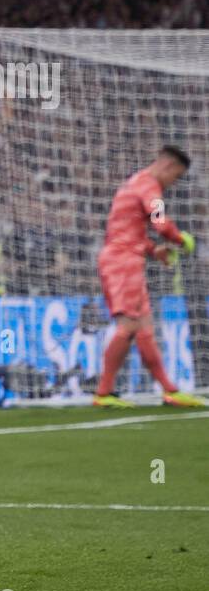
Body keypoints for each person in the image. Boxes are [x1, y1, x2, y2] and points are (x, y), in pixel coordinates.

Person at [93, 146, 204, 408]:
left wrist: (155, 250)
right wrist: (180, 239)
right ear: (168, 166)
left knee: (144, 329)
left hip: (125, 258)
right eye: (175, 176)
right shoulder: (148, 186)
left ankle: (169, 390)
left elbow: (128, 231)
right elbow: (160, 222)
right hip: (123, 263)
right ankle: (103, 392)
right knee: (130, 326)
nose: (172, 182)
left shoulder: (134, 183)